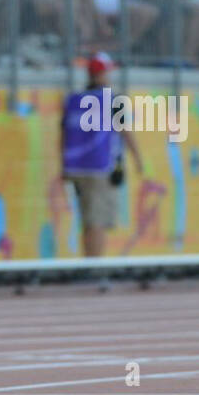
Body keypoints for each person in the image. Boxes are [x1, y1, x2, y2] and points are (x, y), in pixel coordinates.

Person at [61, 53, 144, 257]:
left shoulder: (74, 100)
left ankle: (88, 262)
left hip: (75, 168)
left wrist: (63, 166)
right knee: (97, 221)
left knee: (87, 221)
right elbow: (124, 131)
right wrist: (137, 159)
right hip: (100, 167)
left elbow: (63, 134)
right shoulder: (112, 100)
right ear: (101, 74)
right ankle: (95, 265)